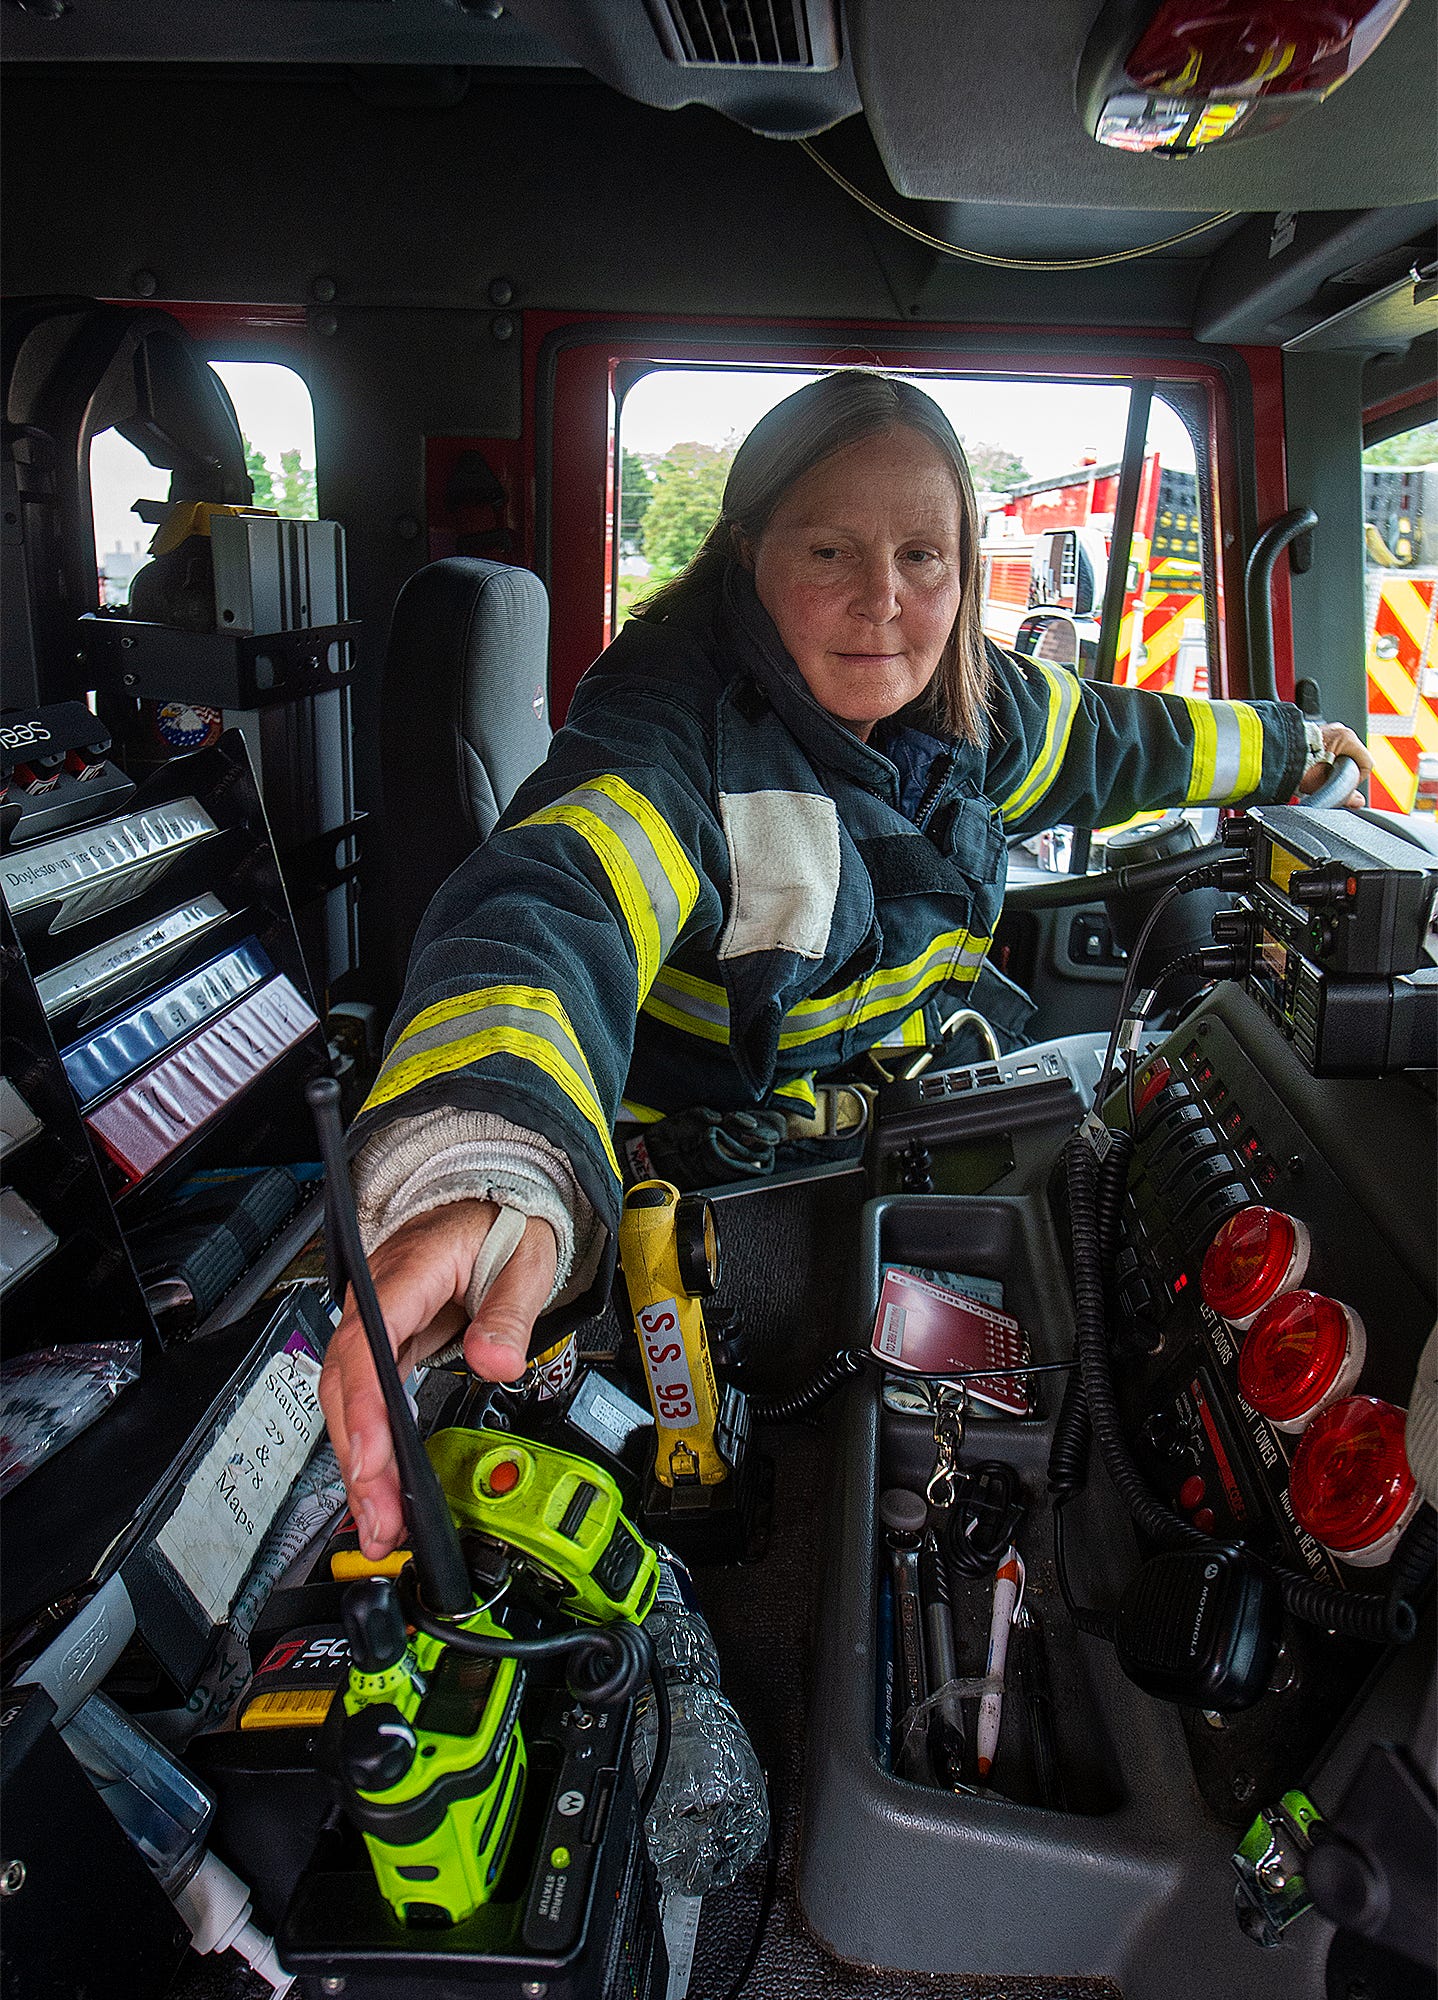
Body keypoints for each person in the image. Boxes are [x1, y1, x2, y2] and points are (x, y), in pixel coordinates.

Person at [319, 370, 1371, 1558]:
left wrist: (1292, 748)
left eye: (924, 556)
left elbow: (1126, 740)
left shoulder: (976, 702)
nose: (883, 599)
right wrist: (486, 1162)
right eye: (828, 551)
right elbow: (559, 897)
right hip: (720, 1185)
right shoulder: (675, 731)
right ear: (746, 554)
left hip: (872, 1125)